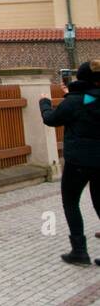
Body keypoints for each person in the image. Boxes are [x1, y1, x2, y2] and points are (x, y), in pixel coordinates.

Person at [38, 60, 100, 266]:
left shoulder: (74, 102)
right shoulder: (82, 99)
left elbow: (52, 119)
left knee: (71, 201)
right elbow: (90, 101)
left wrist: (45, 104)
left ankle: (79, 251)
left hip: (79, 162)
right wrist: (70, 94)